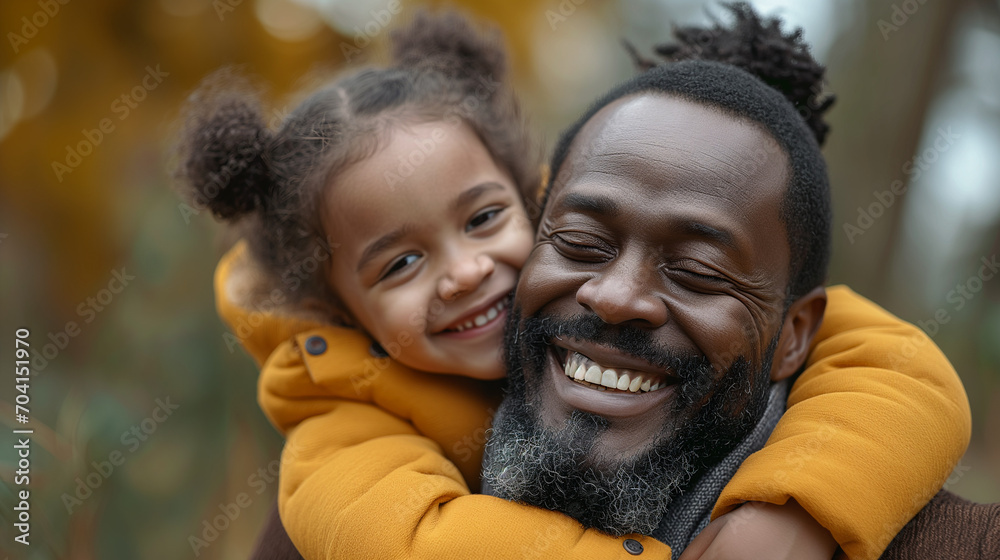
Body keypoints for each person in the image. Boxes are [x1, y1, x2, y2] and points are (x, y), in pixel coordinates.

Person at [178, 7, 971, 560]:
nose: (465, 271)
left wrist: (793, 512)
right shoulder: (336, 427)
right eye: (401, 265)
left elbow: (900, 372)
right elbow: (412, 545)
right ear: (338, 306)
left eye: (483, 219)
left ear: (531, 199)